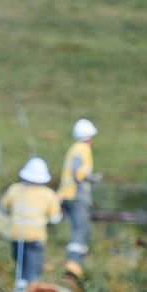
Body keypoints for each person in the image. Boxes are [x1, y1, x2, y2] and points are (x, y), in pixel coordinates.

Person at [0, 157, 63, 292]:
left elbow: (4, 210)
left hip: (16, 237)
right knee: (32, 275)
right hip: (35, 239)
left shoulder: (14, 189)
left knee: (19, 272)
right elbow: (55, 219)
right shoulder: (48, 194)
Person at [57, 118, 98, 280]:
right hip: (76, 194)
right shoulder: (83, 148)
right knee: (81, 229)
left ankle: (76, 263)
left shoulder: (73, 148)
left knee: (76, 228)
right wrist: (89, 178)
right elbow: (77, 170)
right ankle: (74, 265)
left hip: (66, 194)